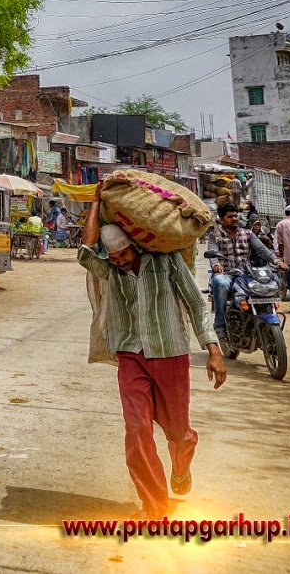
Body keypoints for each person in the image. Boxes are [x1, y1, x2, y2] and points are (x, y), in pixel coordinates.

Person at [80, 209, 226, 518]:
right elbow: (86, 248)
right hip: (130, 354)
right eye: (114, 257)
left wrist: (213, 351)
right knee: (136, 429)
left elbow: (195, 304)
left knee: (178, 433)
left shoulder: (166, 260)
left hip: (169, 352)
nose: (120, 261)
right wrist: (95, 202)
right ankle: (155, 505)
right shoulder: (108, 268)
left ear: (135, 245)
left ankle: (182, 459)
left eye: (123, 255)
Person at [205, 200, 277, 339]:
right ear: (221, 219)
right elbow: (212, 251)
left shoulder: (248, 233)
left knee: (268, 281)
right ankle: (219, 324)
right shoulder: (216, 235)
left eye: (235, 216)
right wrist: (215, 265)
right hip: (225, 273)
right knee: (220, 283)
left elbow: (262, 250)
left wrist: (277, 260)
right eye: (230, 216)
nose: (234, 219)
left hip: (245, 273)